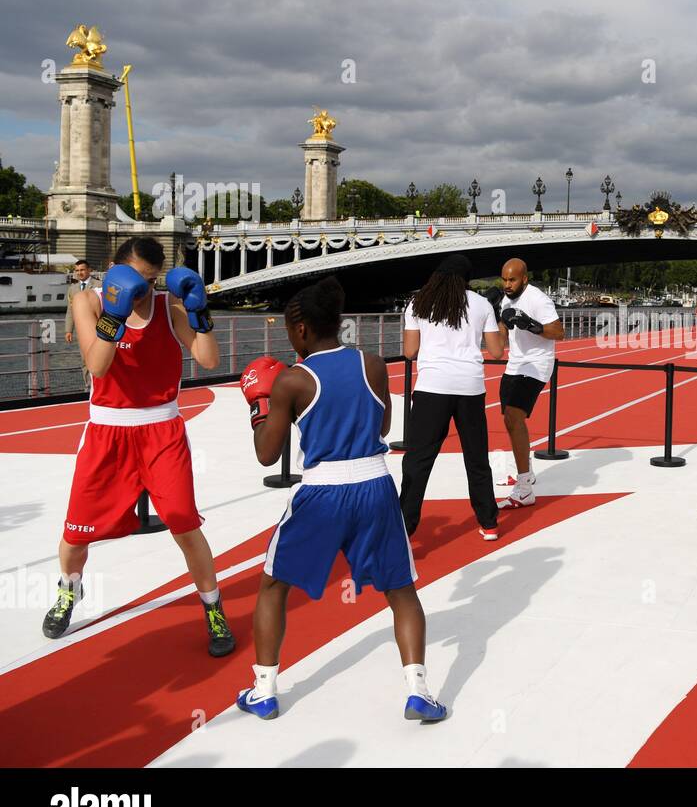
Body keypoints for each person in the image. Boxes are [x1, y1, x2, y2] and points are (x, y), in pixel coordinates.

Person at [235, 277, 444, 722]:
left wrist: (259, 403)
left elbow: (266, 454)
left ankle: (264, 691)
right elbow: (384, 429)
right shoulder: (371, 363)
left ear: (302, 330)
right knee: (401, 590)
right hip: (374, 485)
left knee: (273, 586)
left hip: (322, 492)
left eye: (290, 332)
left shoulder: (292, 380)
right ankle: (418, 691)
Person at [46, 236, 234, 656]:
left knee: (184, 521)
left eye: (151, 280)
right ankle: (68, 590)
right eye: (137, 280)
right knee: (77, 533)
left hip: (162, 429)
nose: (145, 289)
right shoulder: (88, 302)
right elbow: (97, 364)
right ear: (115, 273)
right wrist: (114, 313)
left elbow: (208, 361)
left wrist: (201, 315)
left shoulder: (171, 306)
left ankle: (213, 608)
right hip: (107, 431)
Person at [399, 254, 505, 541]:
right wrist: (501, 319)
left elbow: (410, 352)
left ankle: (404, 527)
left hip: (432, 386)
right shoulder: (482, 304)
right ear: (467, 278)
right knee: (476, 457)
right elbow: (496, 352)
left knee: (418, 460)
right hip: (470, 387)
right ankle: (489, 522)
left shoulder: (418, 303)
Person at [496, 258, 565, 509]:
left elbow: (559, 332)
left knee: (514, 417)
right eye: (504, 279)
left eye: (512, 279)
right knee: (509, 419)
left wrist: (533, 326)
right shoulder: (506, 298)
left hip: (537, 363)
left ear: (524, 278)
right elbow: (504, 335)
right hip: (515, 363)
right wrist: (497, 321)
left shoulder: (538, 299)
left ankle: (524, 488)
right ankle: (528, 469)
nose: (507, 284)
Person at [64, 259, 98, 390]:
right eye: (77, 271)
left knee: (100, 357)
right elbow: (70, 311)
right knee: (85, 359)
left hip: (99, 328)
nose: (80, 273)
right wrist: (68, 330)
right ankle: (88, 386)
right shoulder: (72, 289)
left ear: (89, 270)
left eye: (82, 270)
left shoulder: (99, 284)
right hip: (82, 331)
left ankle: (101, 385)